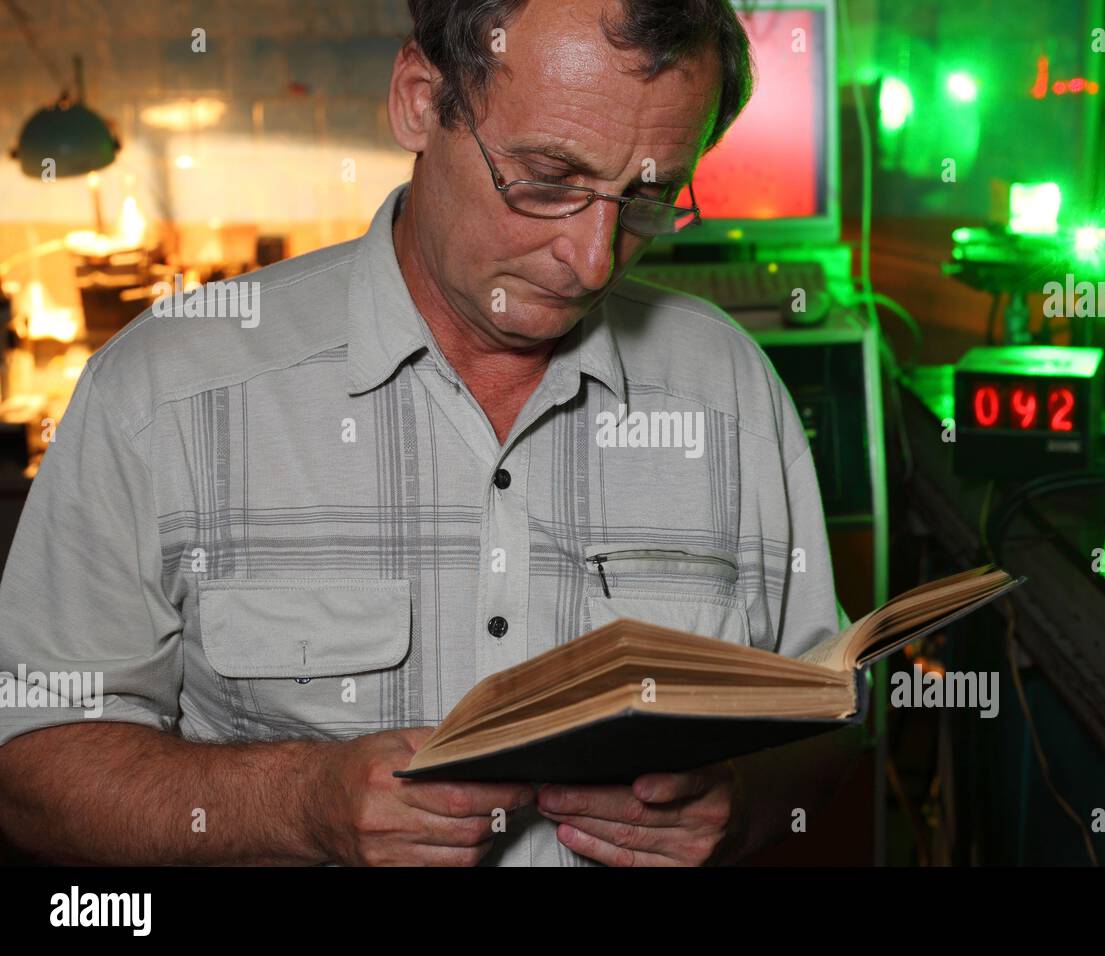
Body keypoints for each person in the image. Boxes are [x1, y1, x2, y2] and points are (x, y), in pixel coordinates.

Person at [0, 0, 863, 866]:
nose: (593, 259)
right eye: (550, 178)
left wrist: (743, 804)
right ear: (419, 98)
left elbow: (827, 724)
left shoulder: (731, 390)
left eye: (647, 196)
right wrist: (301, 805)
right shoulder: (168, 393)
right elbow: (29, 770)